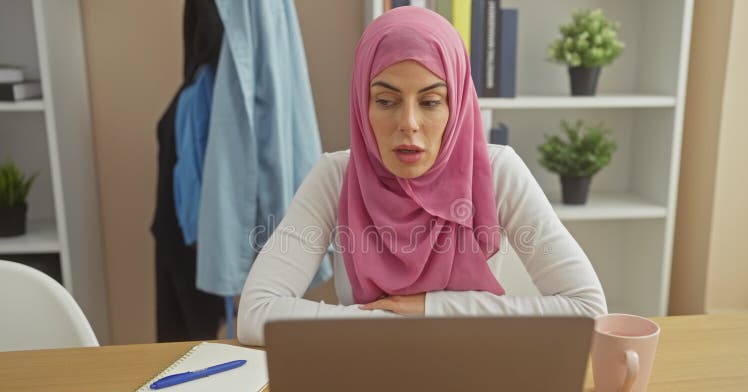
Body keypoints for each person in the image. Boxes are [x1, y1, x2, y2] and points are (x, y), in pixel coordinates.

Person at [237, 6, 606, 346]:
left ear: (456, 104)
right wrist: (387, 319)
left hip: (474, 365)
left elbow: (588, 309)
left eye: (430, 102)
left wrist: (432, 308)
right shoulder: (336, 177)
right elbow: (255, 314)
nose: (408, 124)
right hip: (367, 368)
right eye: (386, 101)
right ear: (362, 106)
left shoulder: (497, 173)